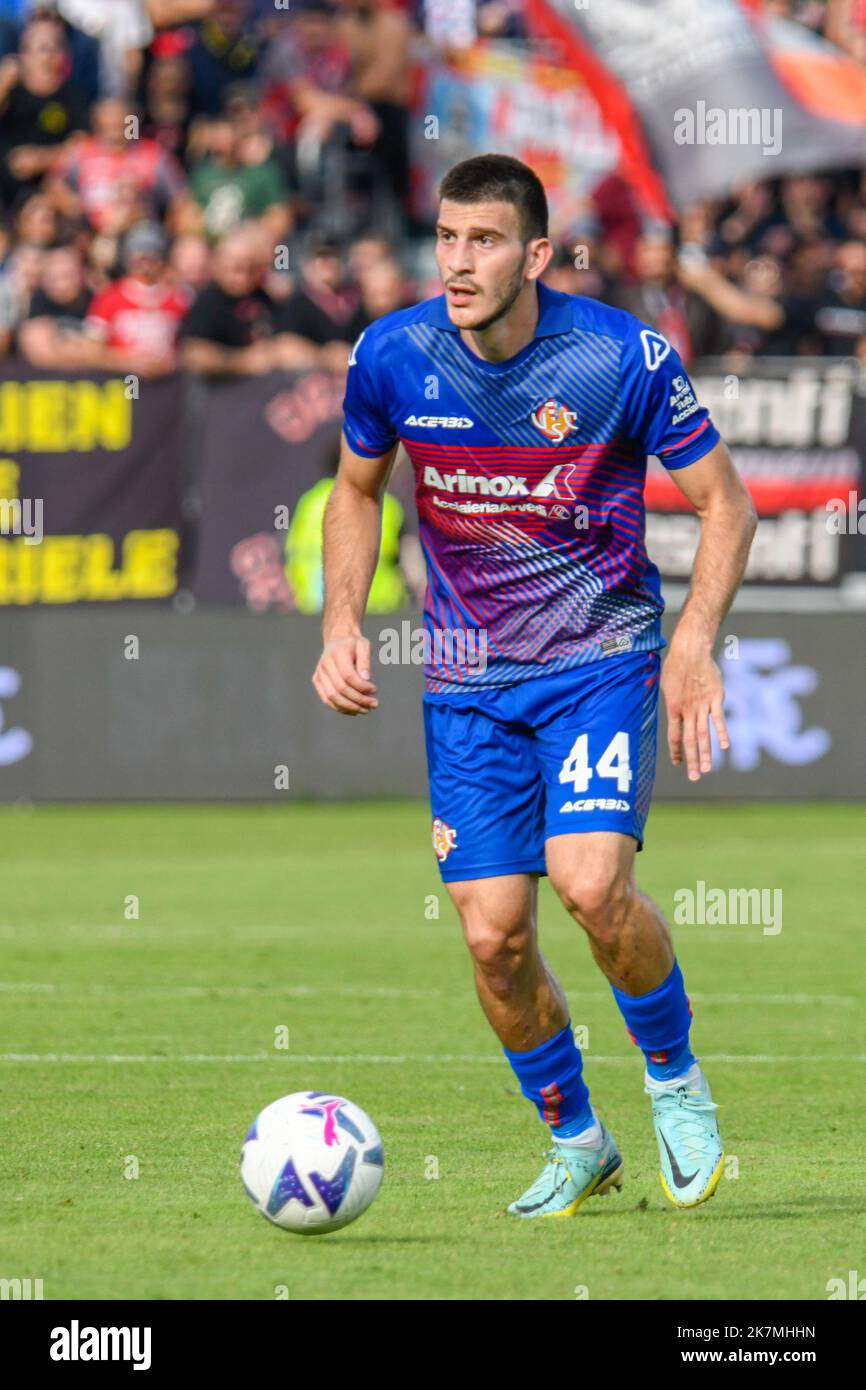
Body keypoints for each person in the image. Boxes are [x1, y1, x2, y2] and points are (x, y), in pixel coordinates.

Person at [312, 153, 758, 1217]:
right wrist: (340, 621)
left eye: (484, 241)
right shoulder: (391, 354)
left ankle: (673, 1080)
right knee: (490, 936)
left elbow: (725, 506)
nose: (457, 263)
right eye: (447, 239)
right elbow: (353, 489)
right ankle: (575, 1138)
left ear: (536, 254)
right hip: (466, 682)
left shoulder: (619, 358)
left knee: (592, 885)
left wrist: (692, 642)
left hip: (596, 660)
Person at [180, 222, 318, 376]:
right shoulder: (208, 301)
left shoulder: (265, 295)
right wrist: (242, 361)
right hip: (227, 392)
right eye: (236, 268)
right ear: (218, 265)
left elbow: (287, 340)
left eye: (250, 269)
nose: (243, 277)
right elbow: (194, 353)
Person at [0, 11, 88, 207]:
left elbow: (81, 145)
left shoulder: (72, 94)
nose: (48, 56)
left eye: (55, 47)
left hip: (50, 191)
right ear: (24, 53)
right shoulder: (10, 89)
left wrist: (42, 159)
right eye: (41, 48)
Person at [83, 219, 189, 376]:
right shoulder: (109, 297)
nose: (146, 263)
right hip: (123, 387)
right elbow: (91, 350)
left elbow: (192, 347)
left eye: (153, 255)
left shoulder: (180, 297)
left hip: (170, 387)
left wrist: (172, 361)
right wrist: (129, 362)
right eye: (140, 256)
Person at [18, 241, 93, 367]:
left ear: (82, 273)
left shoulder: (98, 299)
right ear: (43, 278)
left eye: (67, 275)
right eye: (54, 276)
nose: (62, 285)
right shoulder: (38, 300)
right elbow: (41, 353)